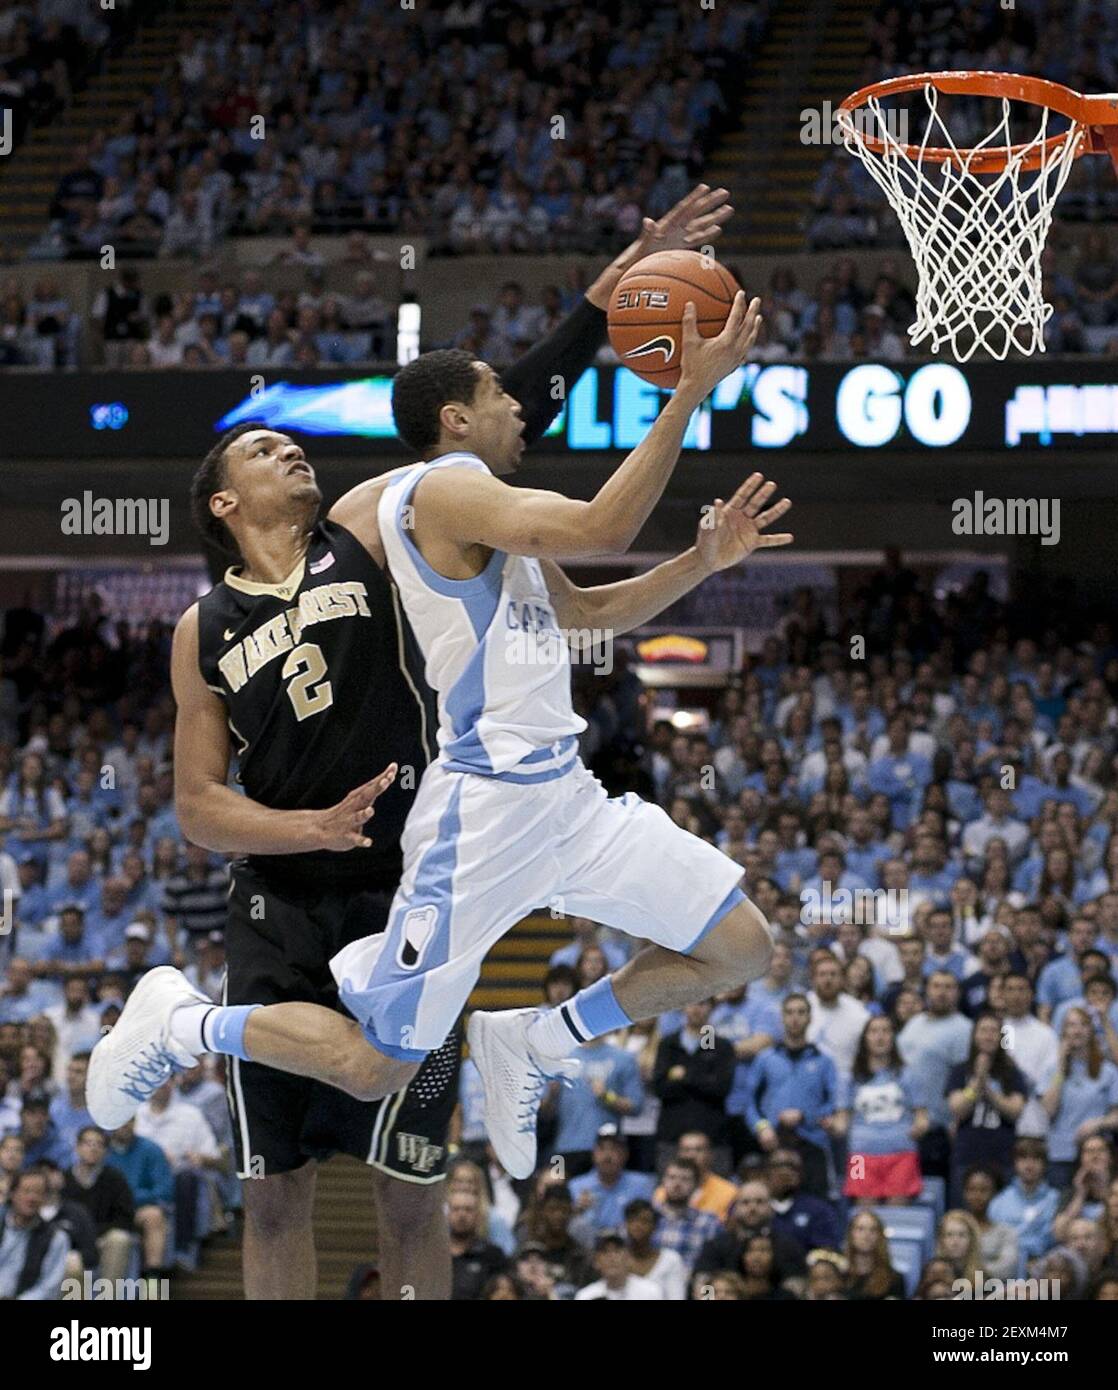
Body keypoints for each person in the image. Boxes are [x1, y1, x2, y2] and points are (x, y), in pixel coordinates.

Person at [87, 188, 769, 1253]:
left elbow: (582, 597)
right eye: (262, 451)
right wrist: (682, 390)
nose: (523, 411)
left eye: (289, 447)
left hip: (556, 797)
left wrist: (700, 554)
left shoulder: (434, 516)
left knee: (741, 946)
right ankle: (177, 1019)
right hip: (461, 815)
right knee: (364, 1079)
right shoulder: (405, 506)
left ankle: (533, 1038)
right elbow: (589, 510)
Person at [744, 993, 838, 1198]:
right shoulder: (765, 1059)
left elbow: (832, 1104)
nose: (795, 1018)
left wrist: (806, 1116)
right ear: (782, 1018)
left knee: (817, 1203)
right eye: (789, 1012)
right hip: (773, 1141)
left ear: (810, 1018)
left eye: (801, 1012)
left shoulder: (824, 1061)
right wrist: (761, 1127)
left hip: (811, 1142)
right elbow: (750, 1101)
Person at [834, 1014, 927, 1204]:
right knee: (862, 1215)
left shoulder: (908, 1074)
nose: (880, 1036)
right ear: (865, 1038)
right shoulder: (849, 1078)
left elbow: (922, 1116)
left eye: (886, 1031)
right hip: (859, 1156)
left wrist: (920, 1126)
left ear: (893, 1037)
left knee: (897, 1214)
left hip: (901, 1154)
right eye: (874, 1031)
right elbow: (842, 1121)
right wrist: (832, 1126)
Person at [946, 1011, 1027, 1200]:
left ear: (1001, 1037)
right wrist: (977, 1081)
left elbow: (1015, 1111)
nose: (988, 1035)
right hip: (967, 1155)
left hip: (1002, 1157)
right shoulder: (960, 1070)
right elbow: (957, 1109)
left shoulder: (1011, 1072)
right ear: (974, 1035)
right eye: (983, 1030)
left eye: (994, 1031)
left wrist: (988, 1089)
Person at [1040, 1007, 1118, 1187]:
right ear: (1063, 1031)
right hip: (1061, 1155)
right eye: (1071, 1025)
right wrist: (1060, 1065)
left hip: (1097, 1155)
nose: (1077, 1030)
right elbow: (1049, 1110)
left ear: (1091, 1031)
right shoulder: (1053, 1070)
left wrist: (1099, 1123)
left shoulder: (1108, 1071)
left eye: (1083, 1024)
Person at [568, 1127, 655, 1235]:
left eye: (614, 1149)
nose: (607, 1155)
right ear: (593, 1154)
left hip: (628, 1246)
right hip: (586, 1246)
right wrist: (576, 1211)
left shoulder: (642, 1184)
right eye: (602, 1148)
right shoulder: (575, 1186)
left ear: (625, 1154)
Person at [0, 1168, 70, 1299]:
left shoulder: (56, 1238)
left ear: (45, 1198)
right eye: (26, 1191)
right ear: (13, 1194)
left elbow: (48, 1289)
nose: (31, 1198)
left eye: (38, 1193)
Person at [987, 1137, 1060, 1263]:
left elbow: (1053, 1238)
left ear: (1045, 1164)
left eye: (1036, 1158)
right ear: (1015, 1163)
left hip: (1044, 1266)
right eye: (1023, 1158)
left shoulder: (1055, 1199)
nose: (1029, 1164)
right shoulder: (999, 1202)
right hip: (1006, 1266)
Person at [651, 1157, 724, 1271]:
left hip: (692, 1285)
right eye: (672, 1177)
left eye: (685, 1179)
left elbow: (716, 1267)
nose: (677, 1184)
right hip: (651, 1284)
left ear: (696, 1185)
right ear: (663, 1181)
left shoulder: (708, 1222)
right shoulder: (647, 1217)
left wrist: (707, 1289)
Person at [961, 1164, 1020, 1282]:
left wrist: (975, 1273)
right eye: (972, 1189)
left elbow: (1007, 1268)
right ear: (964, 1192)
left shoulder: (1006, 1232)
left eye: (983, 1190)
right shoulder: (954, 1227)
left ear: (995, 1194)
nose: (977, 1196)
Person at [623, 1197, 686, 1299]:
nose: (638, 1225)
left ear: (655, 1226)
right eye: (632, 1220)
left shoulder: (671, 1260)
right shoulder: (617, 1260)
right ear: (625, 1224)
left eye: (644, 1221)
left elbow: (676, 1297)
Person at [574, 1229, 663, 1300]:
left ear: (628, 1257)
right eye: (605, 1251)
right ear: (596, 1262)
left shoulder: (650, 1292)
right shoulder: (586, 1296)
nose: (611, 1257)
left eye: (617, 1251)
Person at [844, 1209, 905, 1299]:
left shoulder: (894, 1279)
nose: (866, 1235)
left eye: (873, 1230)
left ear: (879, 1236)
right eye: (860, 1229)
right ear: (851, 1234)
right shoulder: (839, 1275)